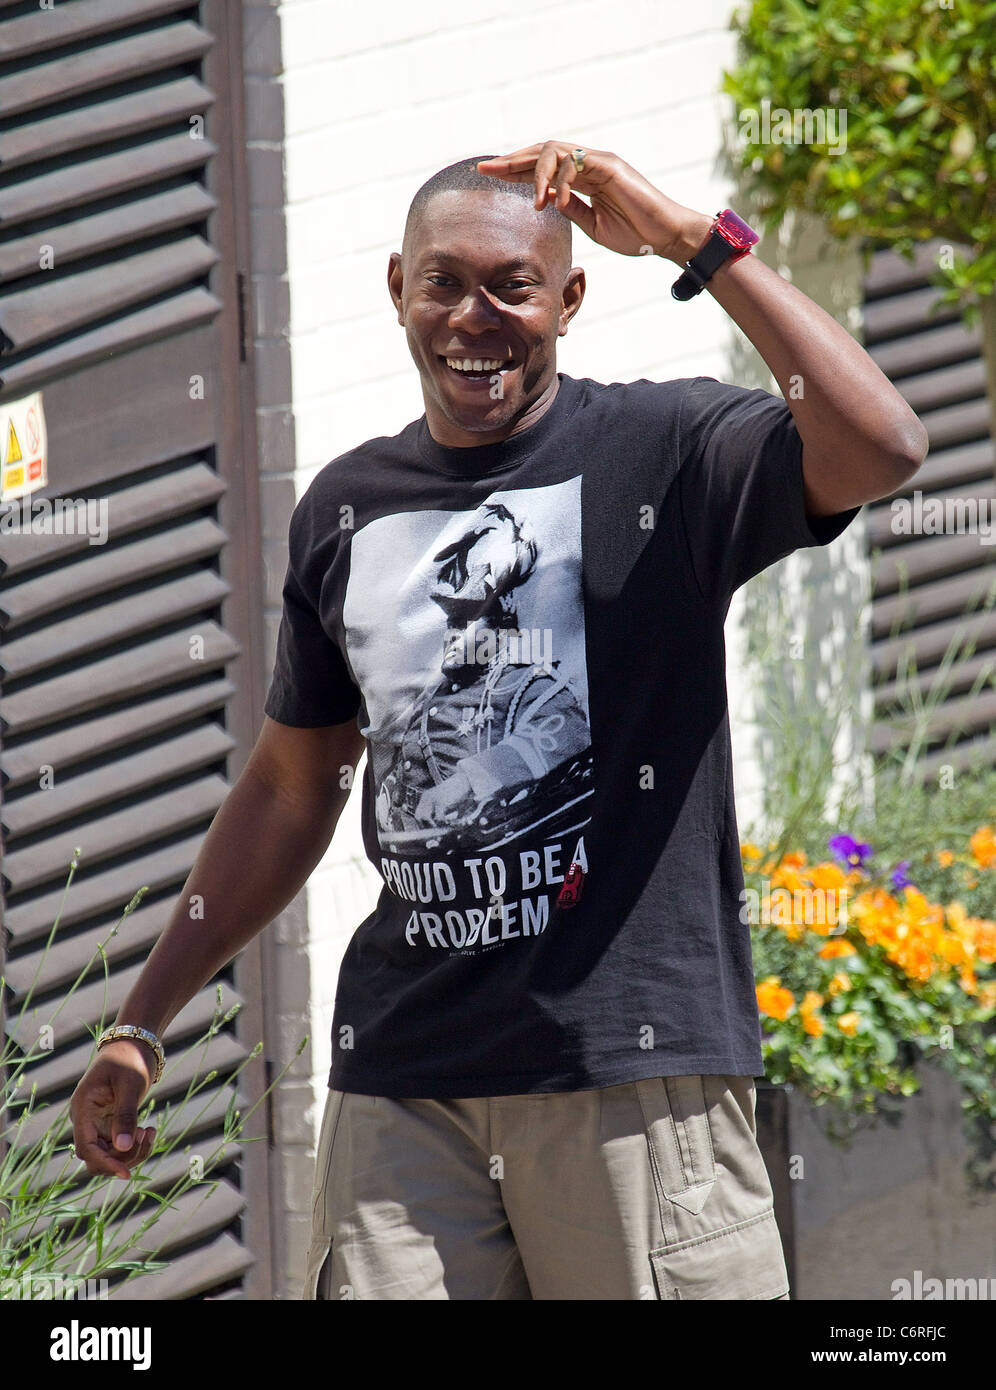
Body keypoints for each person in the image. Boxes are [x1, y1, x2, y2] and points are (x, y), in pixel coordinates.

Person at [70, 141, 928, 1300]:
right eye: (444, 282)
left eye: (513, 286)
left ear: (568, 299)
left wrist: (692, 240)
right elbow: (289, 786)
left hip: (628, 1076)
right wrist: (144, 1019)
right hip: (405, 1084)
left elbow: (882, 444)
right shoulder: (347, 507)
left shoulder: (665, 451)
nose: (474, 317)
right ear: (398, 289)